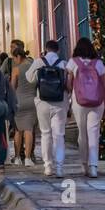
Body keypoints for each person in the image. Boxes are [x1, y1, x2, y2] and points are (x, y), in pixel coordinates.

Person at [66, 36, 105, 178]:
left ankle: (84, 164)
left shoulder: (73, 62)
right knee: (94, 133)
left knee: (82, 134)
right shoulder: (98, 63)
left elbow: (69, 84)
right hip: (97, 102)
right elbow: (104, 86)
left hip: (79, 102)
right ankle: (94, 167)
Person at [27, 39, 70, 178]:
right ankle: (59, 168)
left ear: (46, 49)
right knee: (59, 135)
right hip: (60, 103)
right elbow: (68, 84)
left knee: (46, 134)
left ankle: (48, 166)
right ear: (58, 50)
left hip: (43, 102)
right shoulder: (63, 64)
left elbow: (29, 78)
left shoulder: (39, 62)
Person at [10, 44, 38, 166]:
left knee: (18, 131)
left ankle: (17, 158)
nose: (14, 61)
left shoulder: (16, 69)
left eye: (14, 58)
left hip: (19, 102)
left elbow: (12, 87)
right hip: (32, 102)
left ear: (19, 57)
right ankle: (27, 158)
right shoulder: (33, 67)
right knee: (29, 130)